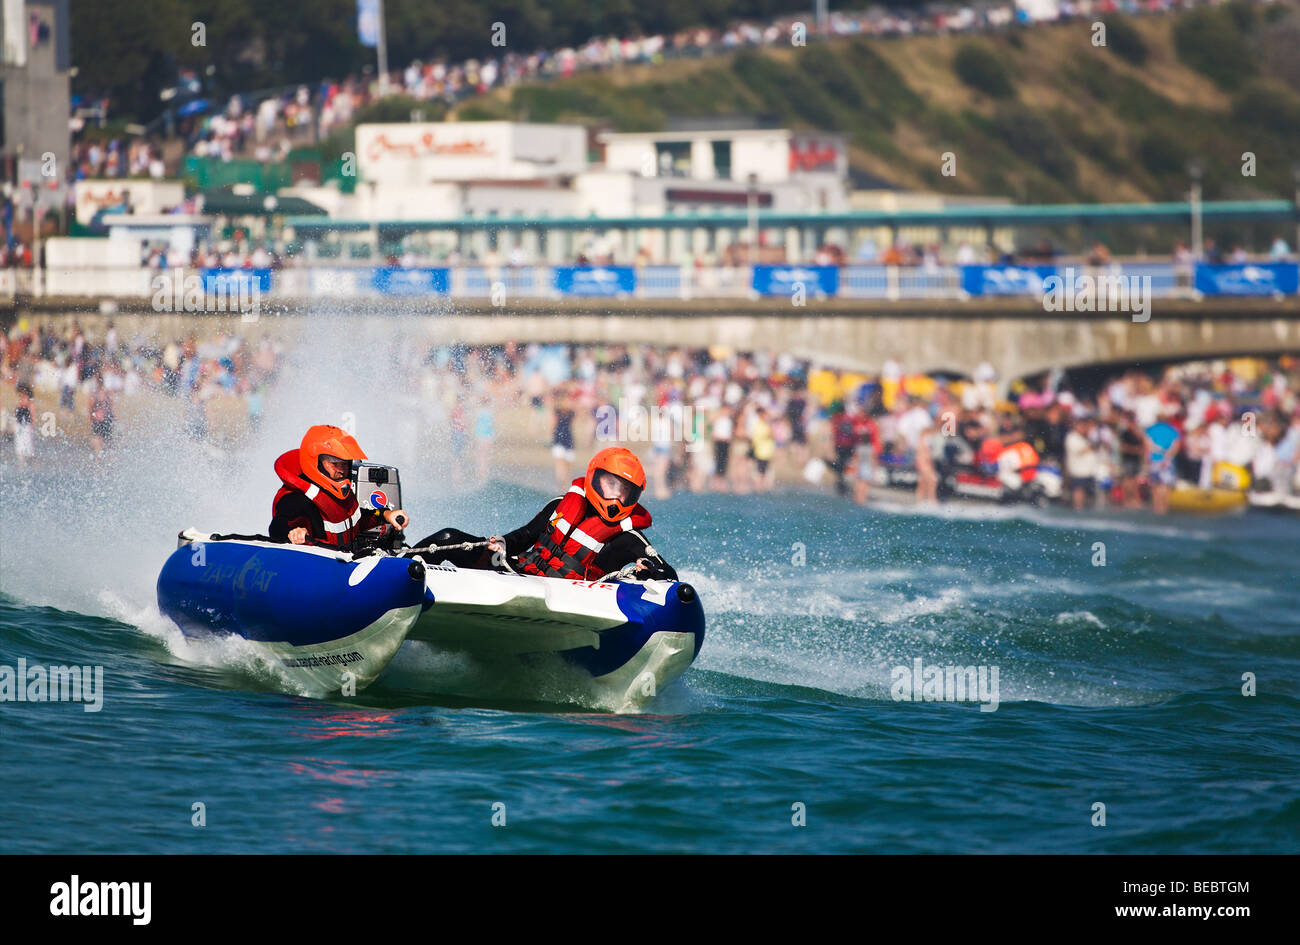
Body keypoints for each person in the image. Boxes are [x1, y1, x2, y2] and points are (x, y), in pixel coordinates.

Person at [416, 447, 676, 581]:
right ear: (594, 478)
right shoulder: (561, 504)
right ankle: (392, 566)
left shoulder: (628, 536)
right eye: (611, 485)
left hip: (570, 599)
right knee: (447, 537)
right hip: (516, 573)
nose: (616, 498)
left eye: (626, 493)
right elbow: (526, 534)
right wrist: (504, 543)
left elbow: (668, 573)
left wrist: (647, 570)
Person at [269, 424, 408, 549]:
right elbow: (277, 528)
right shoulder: (296, 500)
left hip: (347, 564)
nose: (341, 470)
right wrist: (293, 533)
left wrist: (385, 514)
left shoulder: (339, 493)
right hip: (319, 570)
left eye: (345, 464)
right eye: (335, 464)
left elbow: (356, 518)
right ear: (315, 461)